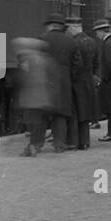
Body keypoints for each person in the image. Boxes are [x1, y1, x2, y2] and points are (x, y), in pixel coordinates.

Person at [39, 13, 79, 152]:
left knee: (42, 115)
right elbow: (77, 65)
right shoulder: (71, 42)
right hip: (63, 83)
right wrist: (69, 78)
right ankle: (59, 145)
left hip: (46, 82)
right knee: (60, 115)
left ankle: (37, 145)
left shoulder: (42, 39)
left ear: (50, 26)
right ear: (61, 26)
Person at [14, 38, 56, 157]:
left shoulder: (26, 60)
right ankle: (36, 145)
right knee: (39, 122)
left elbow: (22, 78)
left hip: (30, 96)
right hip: (43, 95)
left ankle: (32, 146)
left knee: (32, 122)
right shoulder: (46, 60)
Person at [65, 17, 97, 150]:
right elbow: (96, 63)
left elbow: (76, 64)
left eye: (67, 29)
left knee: (75, 113)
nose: (66, 32)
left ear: (73, 28)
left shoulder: (74, 43)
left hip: (77, 82)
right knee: (85, 114)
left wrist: (71, 78)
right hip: (88, 80)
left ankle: (74, 141)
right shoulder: (92, 42)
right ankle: (85, 142)